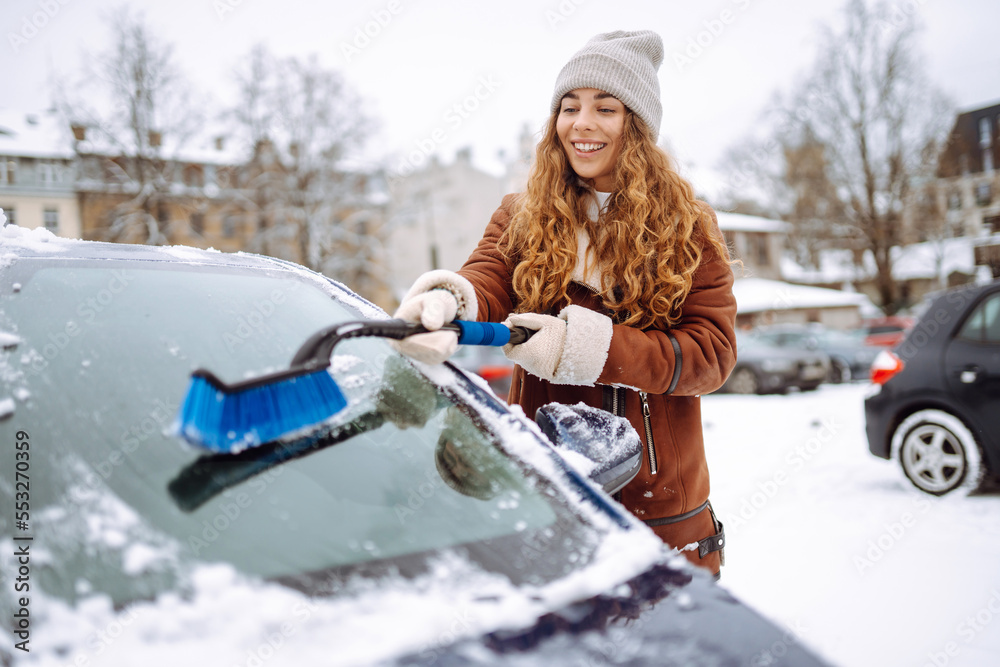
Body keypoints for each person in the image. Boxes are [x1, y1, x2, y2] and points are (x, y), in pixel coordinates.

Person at [392, 30, 737, 577]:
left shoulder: (688, 228)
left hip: (661, 512)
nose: (582, 122)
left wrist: (592, 349)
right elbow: (487, 277)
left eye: (606, 107)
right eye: (569, 106)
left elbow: (710, 355)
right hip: (546, 491)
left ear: (638, 126)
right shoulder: (522, 214)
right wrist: (448, 298)